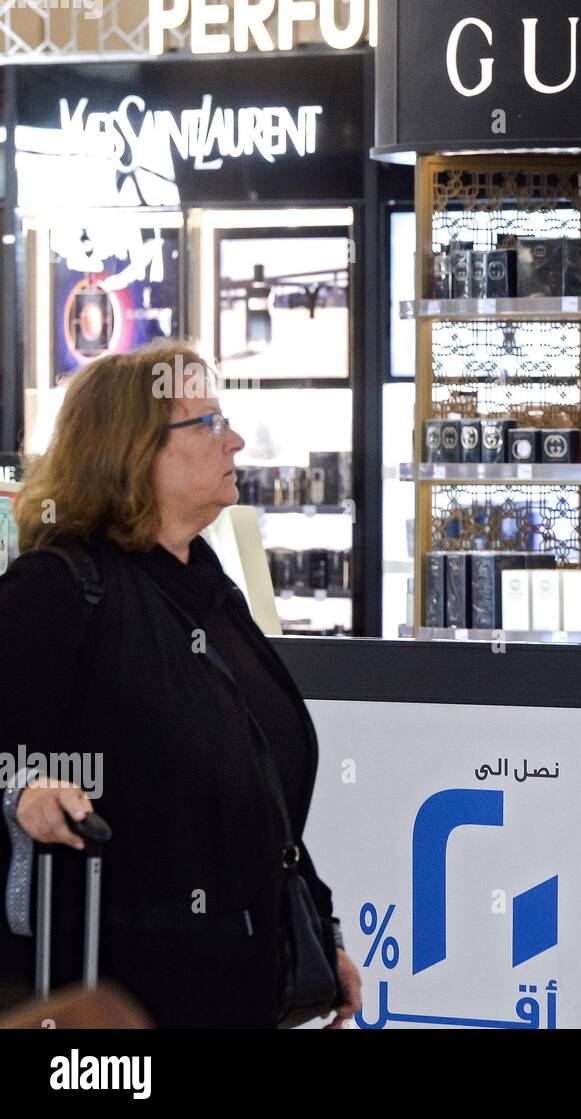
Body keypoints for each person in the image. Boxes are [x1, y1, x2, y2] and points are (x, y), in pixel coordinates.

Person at [0, 343, 361, 1029]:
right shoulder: (60, 588)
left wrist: (315, 923)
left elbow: (257, 784)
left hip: (238, 986)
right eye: (209, 422)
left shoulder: (209, 589)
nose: (236, 439)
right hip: (118, 997)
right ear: (135, 451)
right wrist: (24, 789)